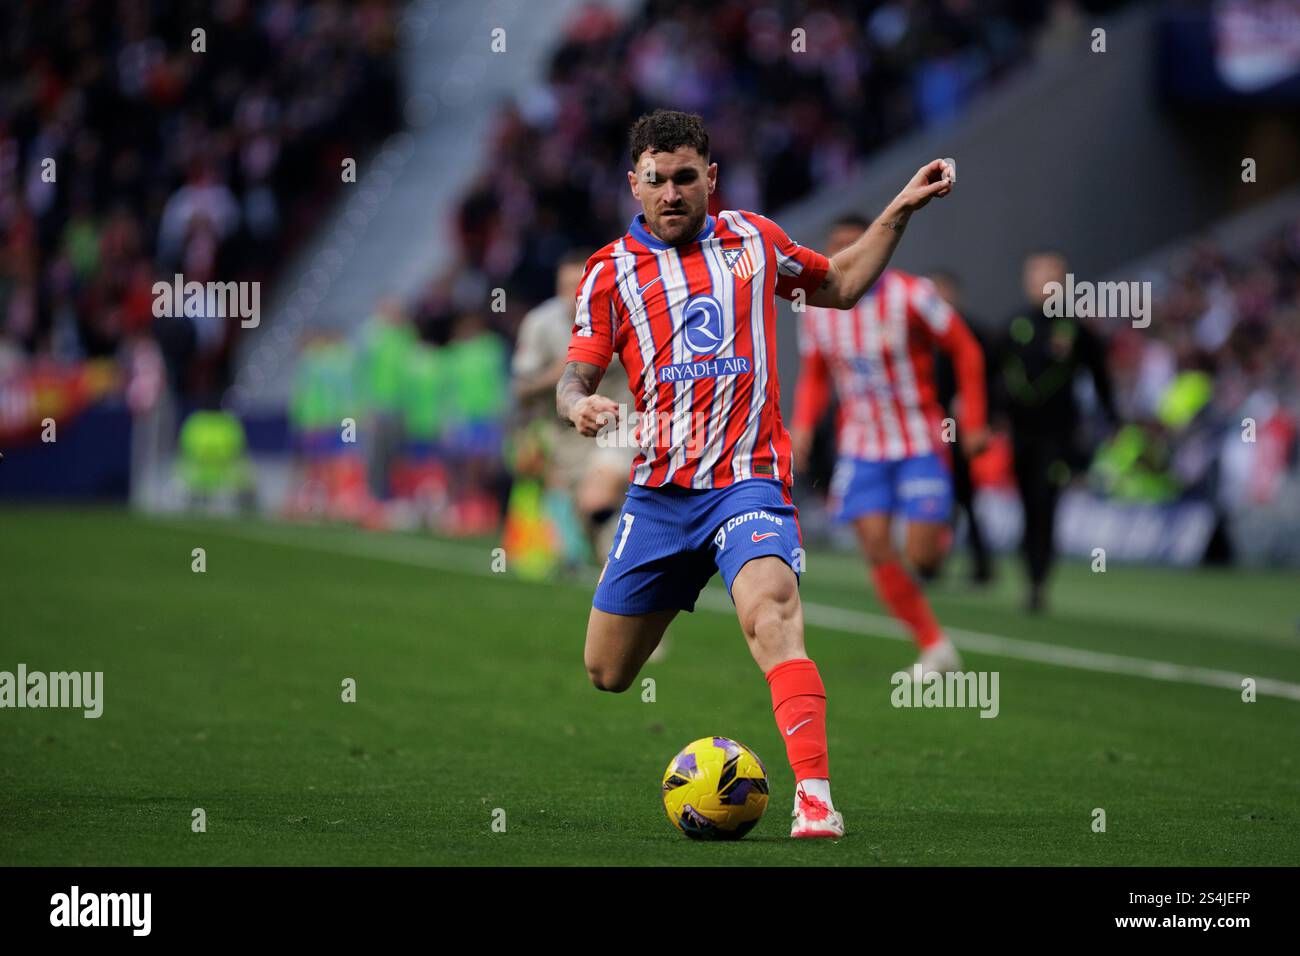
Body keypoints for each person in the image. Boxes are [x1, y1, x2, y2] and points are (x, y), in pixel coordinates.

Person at [556, 109, 956, 838]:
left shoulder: (753, 241)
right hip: (659, 495)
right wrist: (579, 405)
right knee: (607, 673)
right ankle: (678, 584)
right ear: (634, 186)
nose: (671, 193)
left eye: (685, 178)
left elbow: (837, 286)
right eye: (657, 180)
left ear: (710, 178)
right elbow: (573, 379)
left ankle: (814, 798)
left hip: (749, 481)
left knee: (771, 617)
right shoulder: (609, 272)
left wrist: (899, 209)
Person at [791, 218, 988, 680]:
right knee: (877, 548)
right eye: (834, 246)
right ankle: (934, 645)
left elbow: (966, 349)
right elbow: (817, 373)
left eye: (851, 245)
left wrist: (974, 420)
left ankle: (939, 528)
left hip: (918, 439)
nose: (841, 255)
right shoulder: (817, 307)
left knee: (922, 557)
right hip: (861, 446)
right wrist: (802, 426)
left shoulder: (913, 294)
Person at [996, 250, 1118, 612]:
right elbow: (995, 375)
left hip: (1059, 434)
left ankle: (1038, 580)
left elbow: (1100, 376)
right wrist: (991, 417)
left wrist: (1112, 420)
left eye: (1052, 277)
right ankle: (1029, 571)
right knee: (1027, 504)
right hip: (1020, 434)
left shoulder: (1076, 329)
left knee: (1046, 500)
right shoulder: (1014, 325)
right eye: (1037, 276)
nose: (1044, 285)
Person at [929, 269, 994, 585]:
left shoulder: (973, 332)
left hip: (958, 427)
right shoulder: (921, 333)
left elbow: (989, 378)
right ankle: (932, 560)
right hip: (930, 426)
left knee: (962, 495)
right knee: (943, 496)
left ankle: (975, 563)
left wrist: (977, 417)